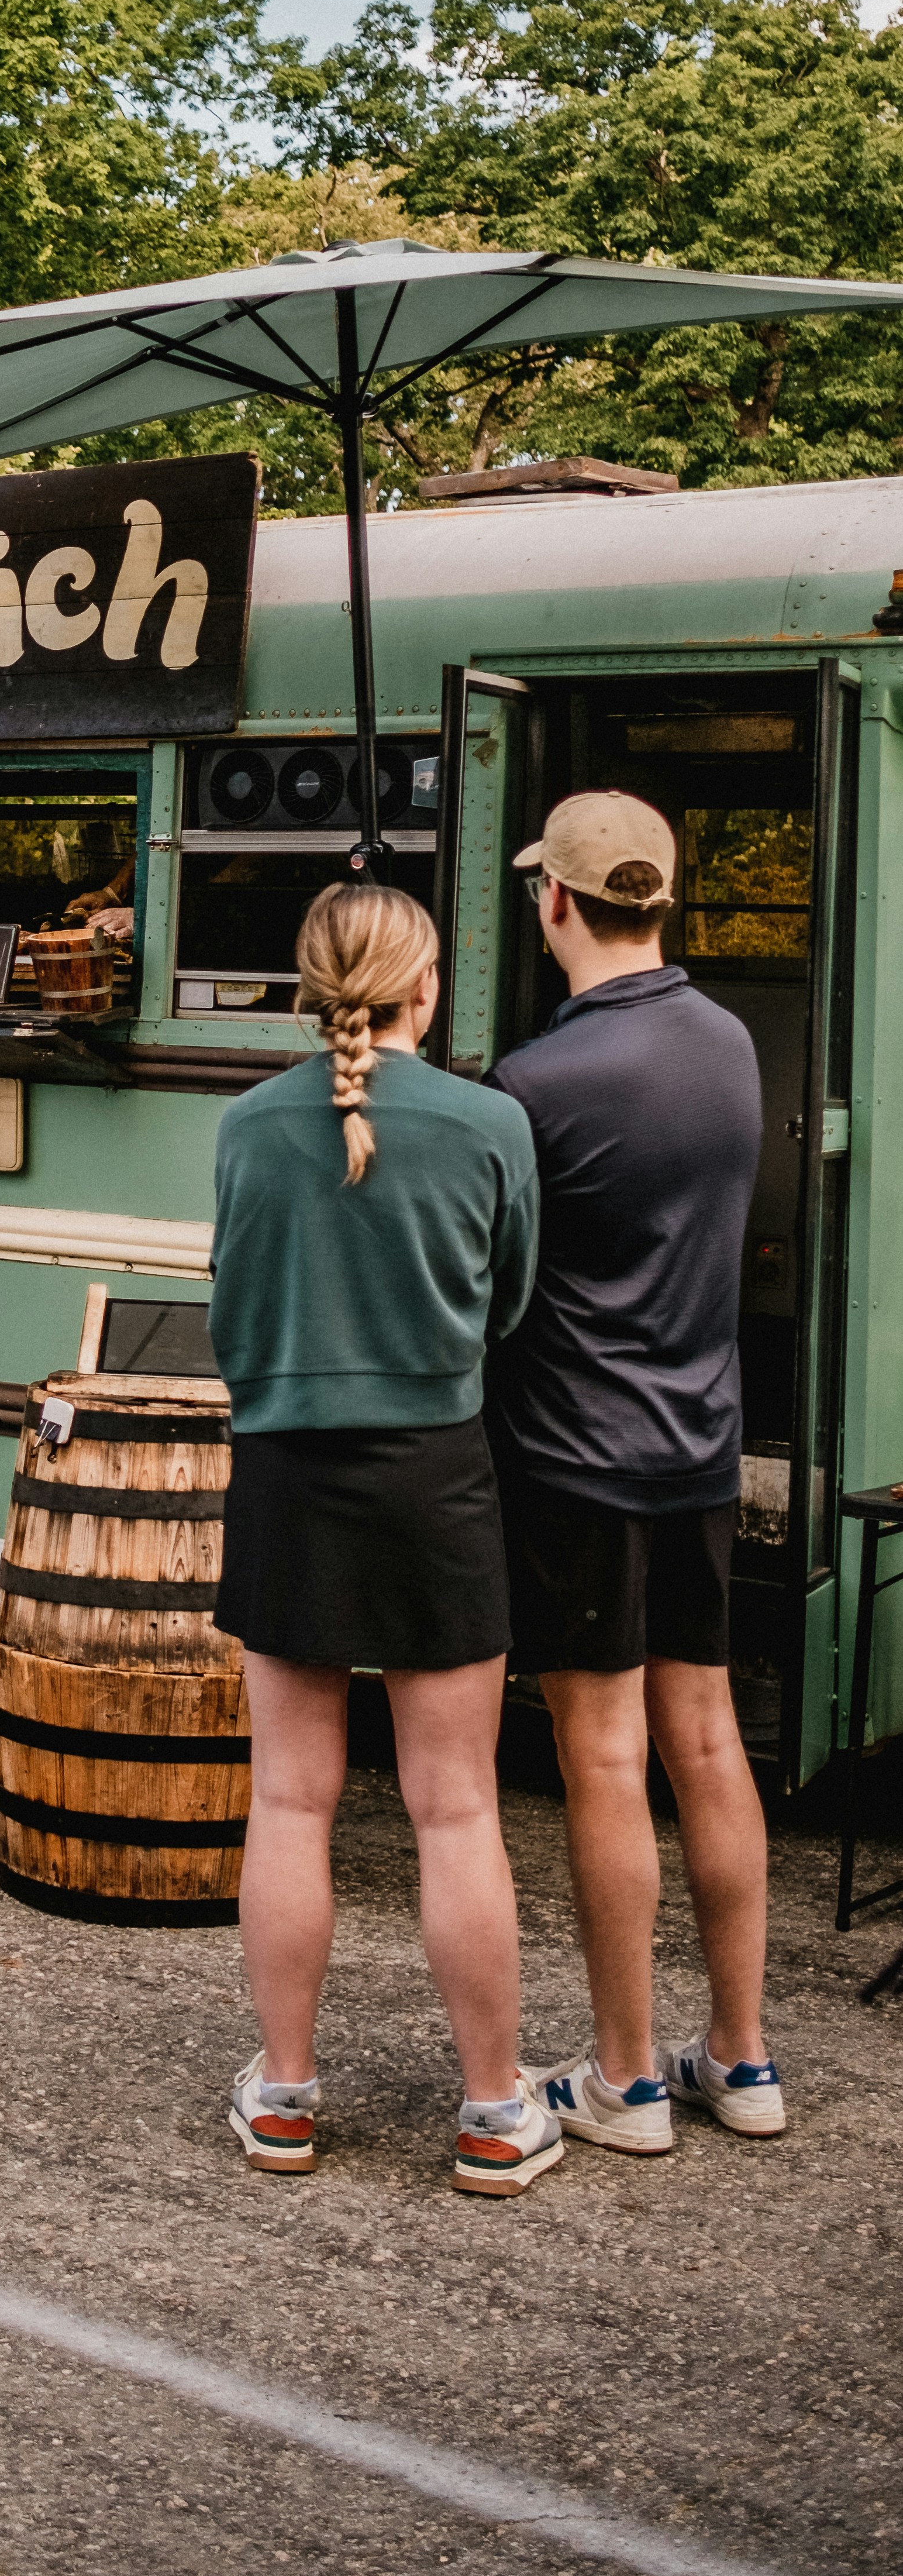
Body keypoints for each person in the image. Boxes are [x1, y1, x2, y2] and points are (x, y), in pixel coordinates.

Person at [208, 880, 562, 2195]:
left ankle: (287, 2097)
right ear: (425, 989)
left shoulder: (247, 1128)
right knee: (456, 1805)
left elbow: (232, 1317)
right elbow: (509, 1300)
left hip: (289, 1473)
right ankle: (489, 2113)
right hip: (436, 1476)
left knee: (290, 1797)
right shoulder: (490, 1124)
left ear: (312, 993)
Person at [488, 793, 779, 2151]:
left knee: (603, 1755)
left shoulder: (534, 1083)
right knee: (708, 1741)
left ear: (554, 900)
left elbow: (499, 1281)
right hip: (700, 1453)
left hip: (574, 1464)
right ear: (658, 898)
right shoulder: (728, 1048)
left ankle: (625, 2078)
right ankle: (743, 2055)